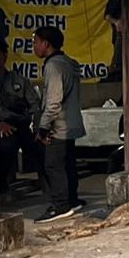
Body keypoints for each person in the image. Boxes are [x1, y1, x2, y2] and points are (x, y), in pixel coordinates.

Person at [32, 25, 85, 223]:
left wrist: (43, 128)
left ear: (46, 44)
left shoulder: (53, 66)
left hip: (59, 125)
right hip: (71, 123)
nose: (34, 46)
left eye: (36, 42)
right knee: (67, 163)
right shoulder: (68, 62)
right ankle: (72, 199)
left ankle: (61, 205)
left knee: (53, 165)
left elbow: (53, 101)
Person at [0, 39, 41, 207]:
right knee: (6, 146)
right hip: (2, 126)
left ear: (5, 56)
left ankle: (52, 191)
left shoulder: (18, 80)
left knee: (40, 149)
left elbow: (35, 105)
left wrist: (38, 127)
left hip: (22, 125)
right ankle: (3, 186)